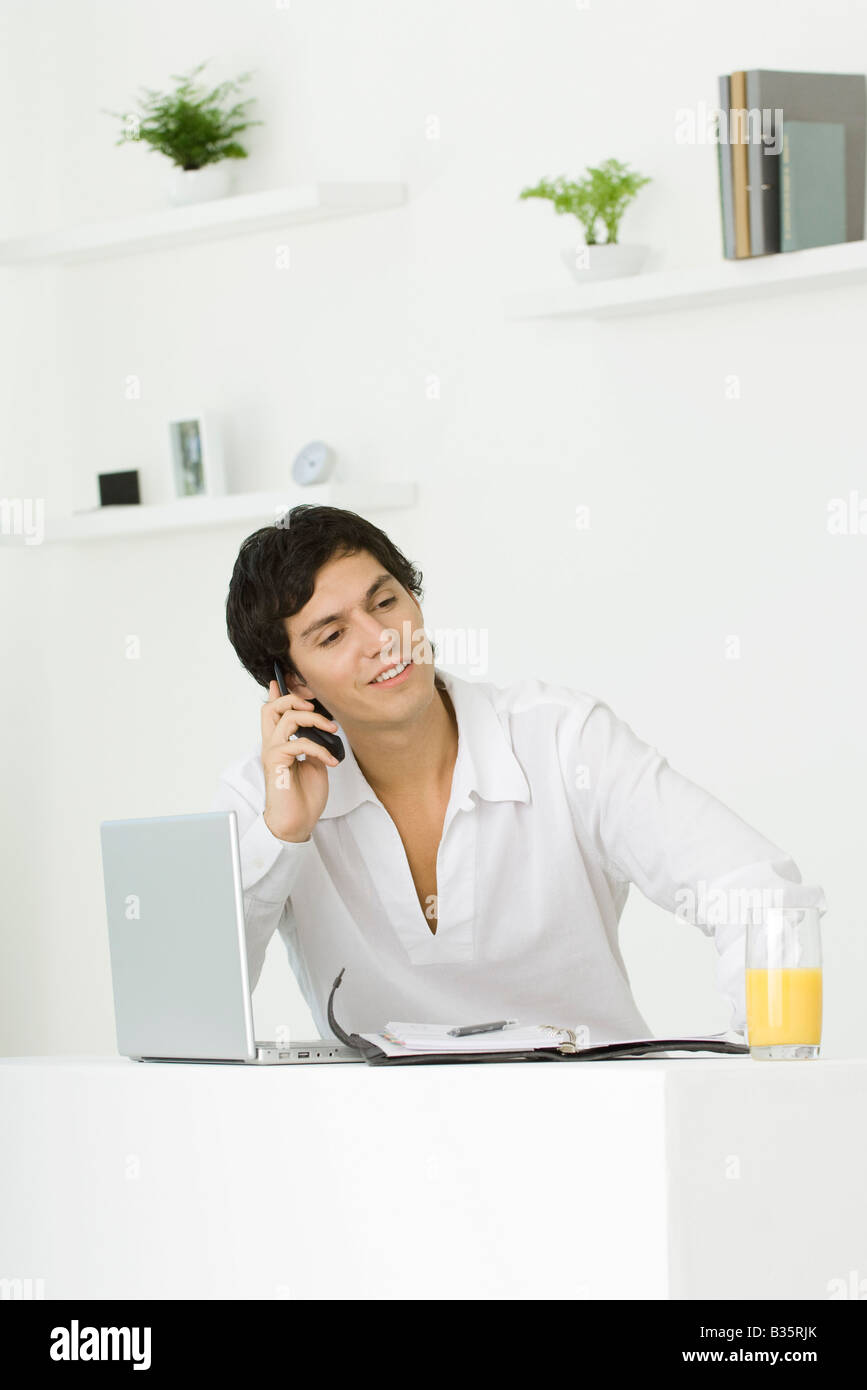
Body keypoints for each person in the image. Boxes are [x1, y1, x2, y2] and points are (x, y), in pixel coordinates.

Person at [214, 504, 825, 1043]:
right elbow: (198, 1010)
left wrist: (770, 1065)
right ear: (291, 682)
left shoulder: (562, 739)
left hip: (599, 1125)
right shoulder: (270, 797)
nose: (383, 639)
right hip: (383, 1147)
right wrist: (281, 836)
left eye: (385, 601)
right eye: (334, 634)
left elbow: (757, 890)